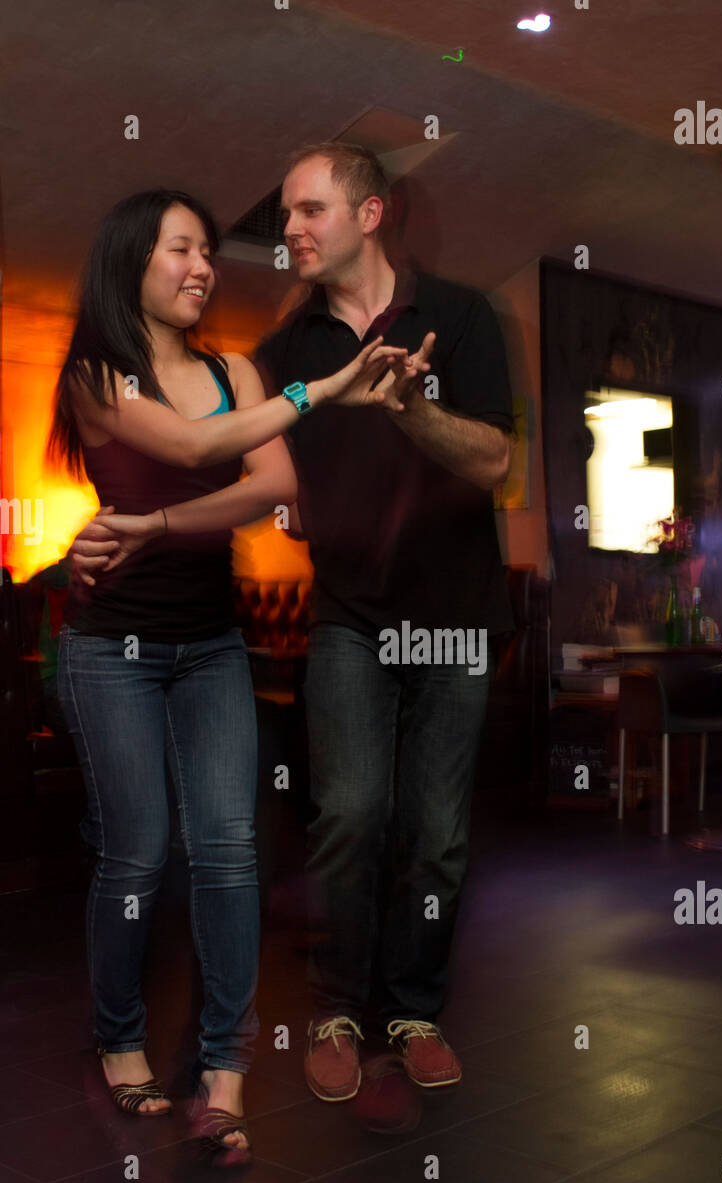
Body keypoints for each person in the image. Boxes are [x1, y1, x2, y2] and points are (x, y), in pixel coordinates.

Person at [50, 187, 417, 1160]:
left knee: (225, 850)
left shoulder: (234, 368)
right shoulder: (98, 375)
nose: (204, 266)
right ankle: (120, 1039)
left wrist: (162, 524)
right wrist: (321, 390)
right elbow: (197, 448)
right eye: (181, 249)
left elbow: (273, 484)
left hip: (212, 640)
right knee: (136, 852)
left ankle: (223, 1072)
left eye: (209, 251)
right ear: (132, 261)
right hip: (110, 647)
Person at [252, 143, 515, 1101]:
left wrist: (412, 410)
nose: (290, 230)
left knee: (436, 829)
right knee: (353, 812)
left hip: (455, 618)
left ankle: (411, 1011)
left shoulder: (460, 315)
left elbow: (491, 463)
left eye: (309, 210)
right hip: (350, 617)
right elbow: (260, 470)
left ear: (370, 214)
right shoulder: (287, 355)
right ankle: (333, 1006)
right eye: (285, 215)